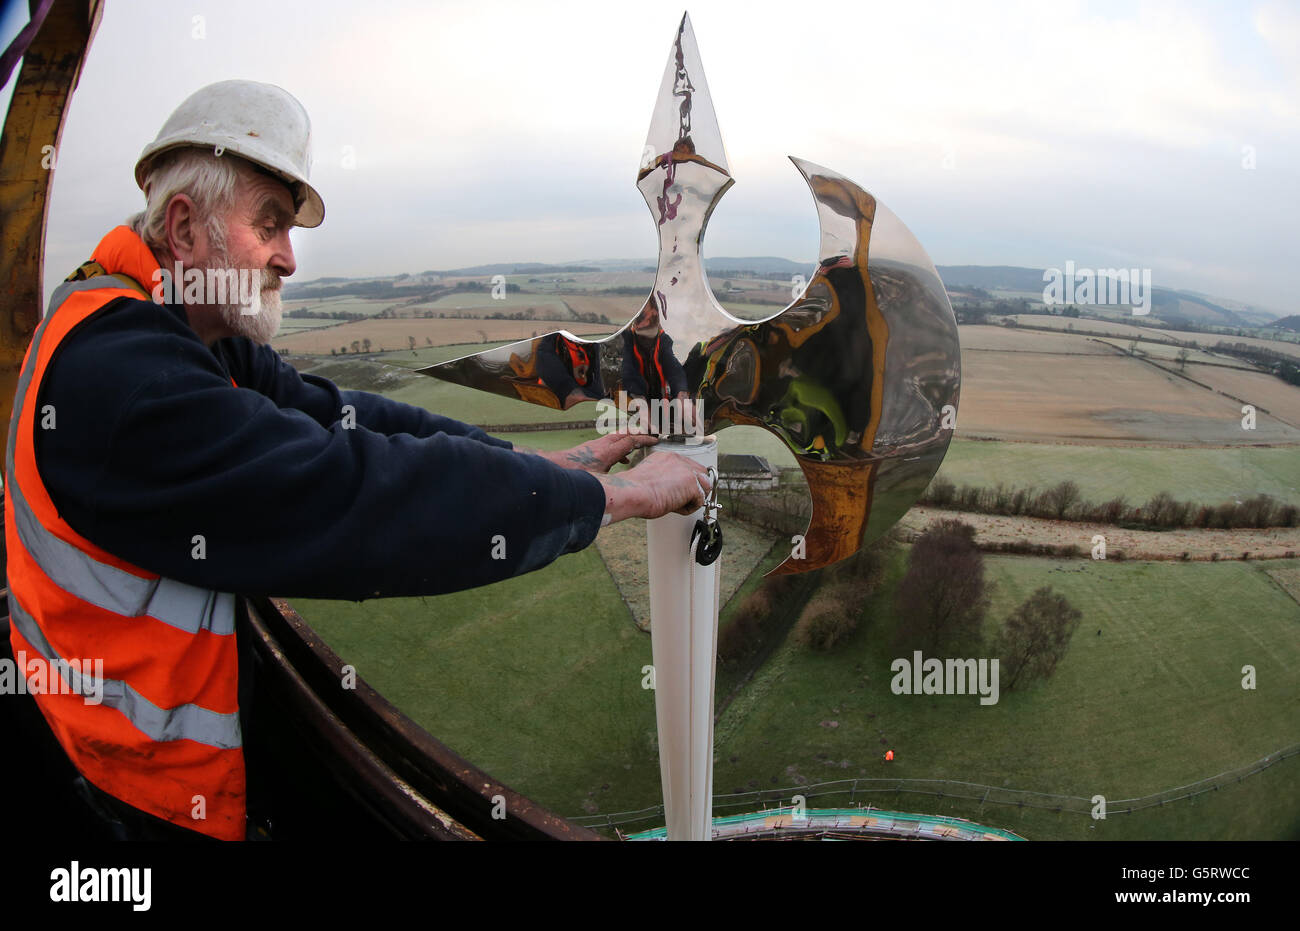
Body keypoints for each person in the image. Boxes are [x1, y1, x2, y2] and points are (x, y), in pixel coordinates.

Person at [3, 80, 711, 841]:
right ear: (184, 229)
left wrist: (546, 463)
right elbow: (360, 494)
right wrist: (618, 498)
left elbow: (348, 418)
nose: (288, 259)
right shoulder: (127, 384)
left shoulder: (187, 334)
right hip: (122, 795)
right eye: (269, 224)